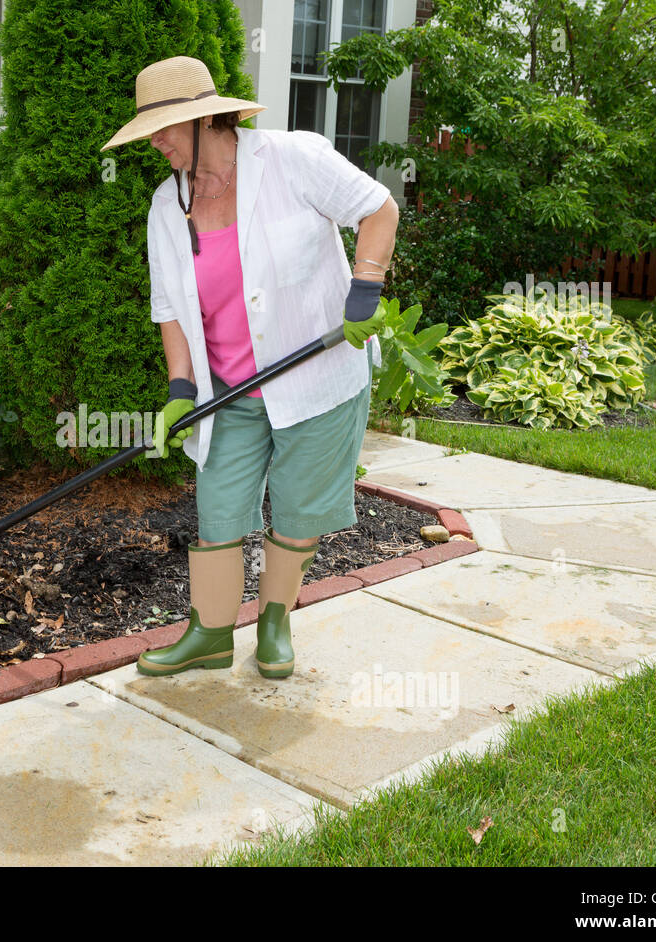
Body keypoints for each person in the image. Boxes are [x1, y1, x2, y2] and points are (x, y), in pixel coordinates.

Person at [100, 55, 398, 679]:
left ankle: (274, 619)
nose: (153, 143)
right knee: (220, 510)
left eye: (161, 130)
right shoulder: (165, 203)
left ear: (204, 119)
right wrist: (182, 387)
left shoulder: (294, 159)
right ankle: (209, 634)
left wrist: (364, 290)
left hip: (316, 381)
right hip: (228, 389)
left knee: (296, 511)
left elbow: (378, 208)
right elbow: (169, 308)